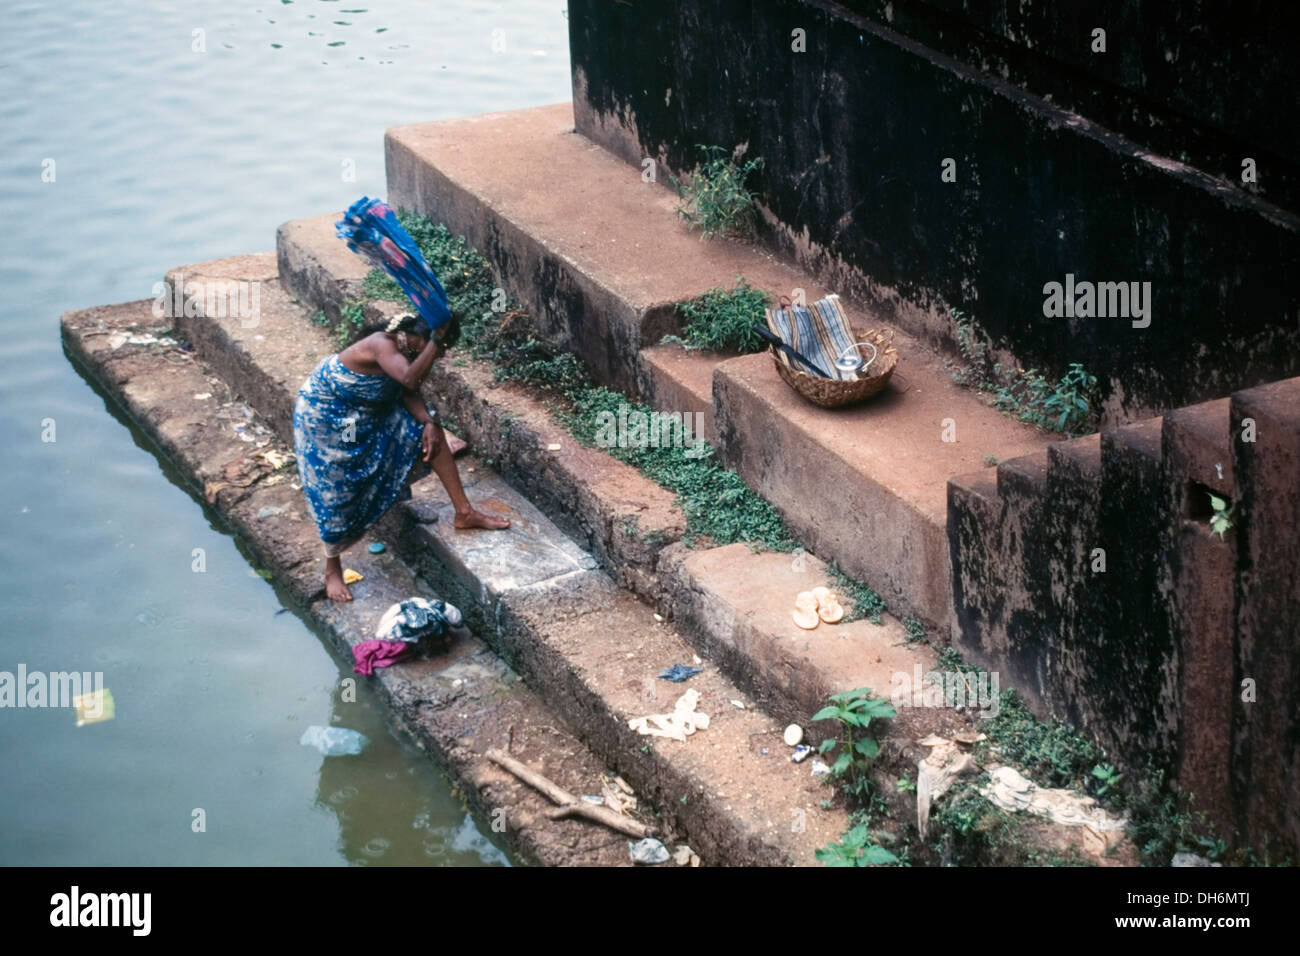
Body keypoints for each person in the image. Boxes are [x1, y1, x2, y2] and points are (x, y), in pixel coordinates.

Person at [293, 310, 509, 602]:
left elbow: (408, 392)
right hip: (326, 419)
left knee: (433, 435)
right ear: (413, 335)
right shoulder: (382, 343)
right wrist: (436, 339)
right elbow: (408, 378)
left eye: (443, 350)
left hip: (368, 414)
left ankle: (465, 512)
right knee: (334, 493)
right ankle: (332, 566)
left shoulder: (409, 349)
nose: (439, 355)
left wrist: (430, 422)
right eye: (439, 348)